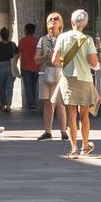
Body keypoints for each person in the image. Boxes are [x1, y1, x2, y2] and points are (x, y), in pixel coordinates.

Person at [52, 9, 101, 158]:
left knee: (71, 115)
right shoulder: (88, 40)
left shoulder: (62, 37)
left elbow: (55, 60)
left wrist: (66, 63)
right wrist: (94, 65)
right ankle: (85, 148)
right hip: (85, 79)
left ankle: (74, 149)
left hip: (68, 79)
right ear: (85, 24)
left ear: (71, 22)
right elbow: (94, 63)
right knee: (84, 115)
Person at [36, 13, 70, 142]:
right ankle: (48, 132)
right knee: (47, 104)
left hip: (60, 73)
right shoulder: (42, 40)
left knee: (60, 104)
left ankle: (63, 132)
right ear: (47, 23)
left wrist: (59, 59)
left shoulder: (65, 38)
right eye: (50, 19)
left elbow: (69, 57)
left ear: (60, 23)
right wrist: (46, 56)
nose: (53, 21)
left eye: (56, 19)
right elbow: (36, 59)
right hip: (45, 73)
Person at [17, 23, 39, 112]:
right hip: (36, 67)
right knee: (34, 86)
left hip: (25, 67)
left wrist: (14, 64)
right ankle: (33, 103)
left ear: (26, 30)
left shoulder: (22, 41)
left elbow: (18, 53)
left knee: (28, 86)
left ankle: (31, 104)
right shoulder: (37, 41)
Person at [0, 26, 17, 112]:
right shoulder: (13, 44)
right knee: (10, 87)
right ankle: (8, 105)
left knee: (1, 86)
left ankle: (2, 104)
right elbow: (18, 53)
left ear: (1, 35)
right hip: (10, 65)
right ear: (9, 35)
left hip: (0, 66)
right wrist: (15, 60)